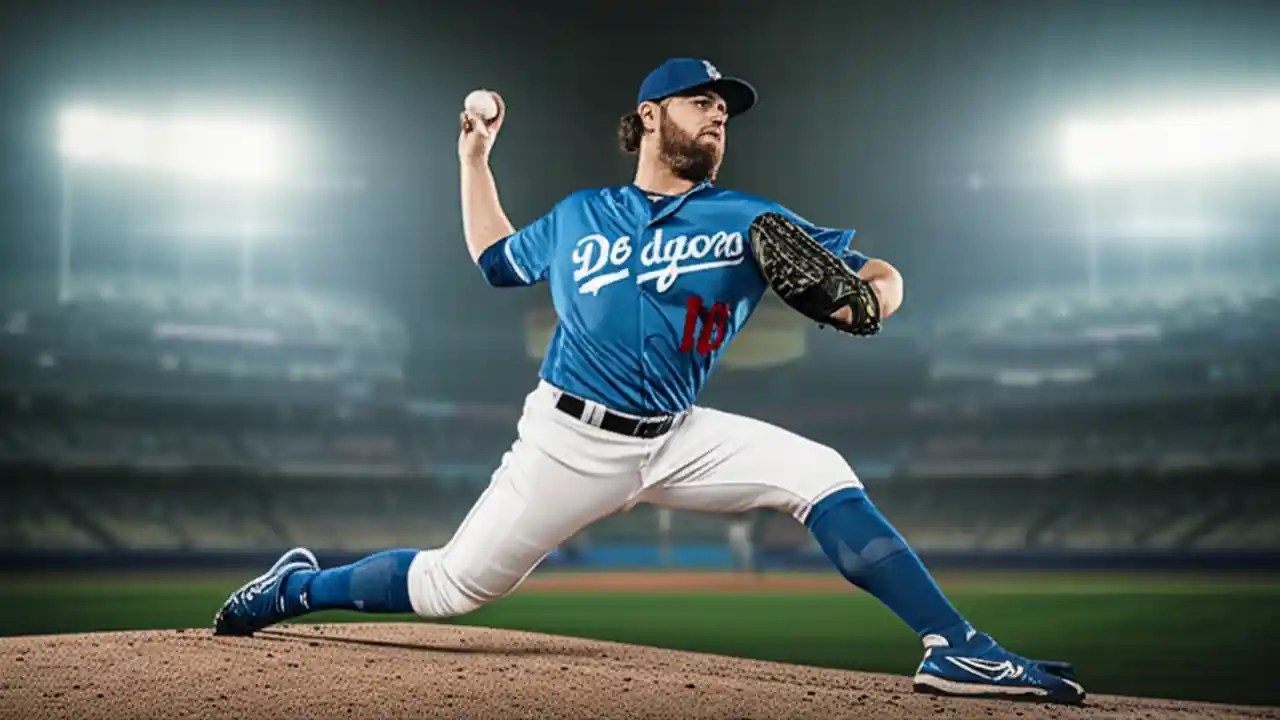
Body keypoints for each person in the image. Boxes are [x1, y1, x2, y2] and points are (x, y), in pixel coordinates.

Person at [214, 57, 1084, 705]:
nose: (718, 116)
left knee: (820, 472)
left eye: (724, 110)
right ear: (649, 115)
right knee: (451, 587)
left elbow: (872, 273)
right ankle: (294, 587)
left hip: (677, 433)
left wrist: (879, 297)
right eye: (702, 101)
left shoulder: (750, 220)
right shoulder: (581, 214)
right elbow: (494, 260)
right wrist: (474, 158)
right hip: (566, 441)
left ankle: (955, 645)